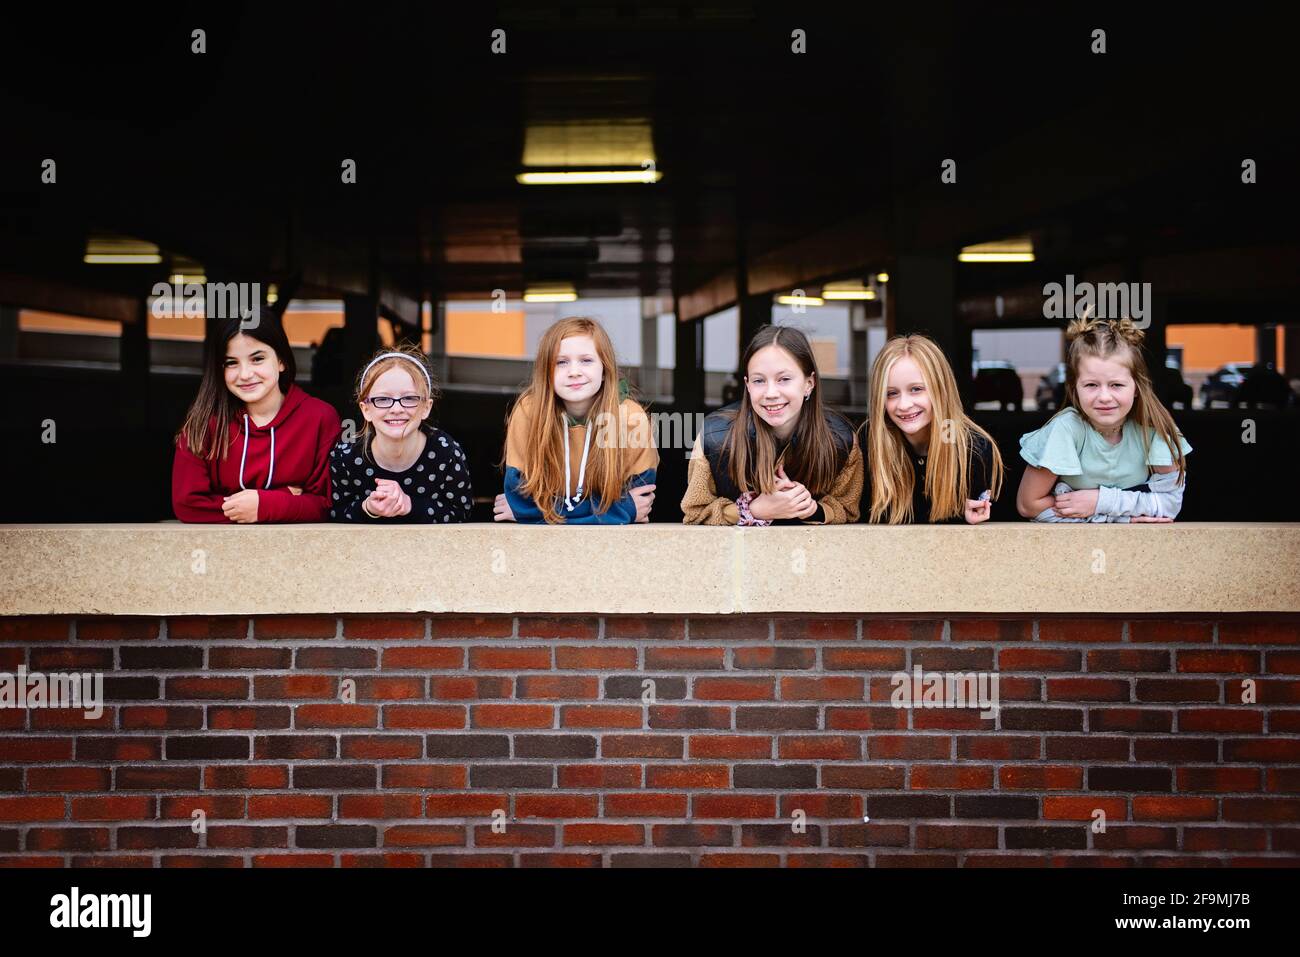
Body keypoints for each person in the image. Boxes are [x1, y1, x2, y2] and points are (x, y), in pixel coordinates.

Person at [682, 324, 862, 525]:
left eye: (784, 379)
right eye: (759, 381)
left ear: (809, 383)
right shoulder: (713, 436)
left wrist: (811, 510)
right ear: (747, 385)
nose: (771, 393)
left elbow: (848, 508)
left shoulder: (842, 439)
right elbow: (695, 512)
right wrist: (753, 510)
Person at [1016, 317, 1191, 523]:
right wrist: (1119, 518)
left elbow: (1170, 505)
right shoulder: (1066, 430)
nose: (1105, 397)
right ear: (1075, 389)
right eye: (1091, 385)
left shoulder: (1154, 428)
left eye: (1116, 385)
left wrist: (1102, 502)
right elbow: (1028, 505)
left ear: (1136, 388)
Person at [173, 312, 340, 523]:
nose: (244, 374)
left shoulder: (320, 418)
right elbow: (187, 506)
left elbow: (327, 505)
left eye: (257, 359)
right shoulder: (203, 422)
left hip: (299, 552)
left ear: (281, 361)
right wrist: (285, 499)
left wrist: (265, 506)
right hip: (219, 552)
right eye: (231, 363)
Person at [494, 317, 658, 524]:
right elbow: (520, 499)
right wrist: (615, 513)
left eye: (586, 360)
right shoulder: (529, 412)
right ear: (546, 372)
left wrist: (536, 513)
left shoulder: (630, 418)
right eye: (561, 362)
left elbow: (640, 501)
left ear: (605, 369)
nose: (573, 372)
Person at [862, 333, 1003, 524]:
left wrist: (966, 518)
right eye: (891, 393)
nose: (904, 404)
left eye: (916, 389)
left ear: (941, 389)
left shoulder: (972, 448)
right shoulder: (868, 440)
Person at [329, 346, 472, 523]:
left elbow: (461, 513)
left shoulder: (446, 453)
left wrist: (410, 505)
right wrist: (367, 508)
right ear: (366, 410)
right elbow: (333, 512)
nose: (396, 409)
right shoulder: (345, 456)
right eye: (383, 399)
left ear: (426, 407)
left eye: (409, 399)